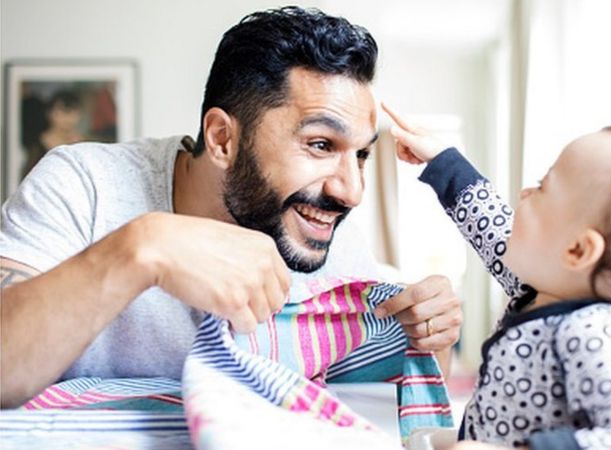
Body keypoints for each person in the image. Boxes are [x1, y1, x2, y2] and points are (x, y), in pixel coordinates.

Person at [0, 7, 462, 409]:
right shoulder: (85, 185)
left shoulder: (330, 242)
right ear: (223, 138)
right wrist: (142, 248)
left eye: (360, 155)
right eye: (321, 145)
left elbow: (383, 395)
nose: (351, 191)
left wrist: (430, 335)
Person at [383, 104, 611, 449]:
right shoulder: (545, 289)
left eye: (543, 187)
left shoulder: (597, 330)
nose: (524, 193)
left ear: (577, 251)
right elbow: (490, 226)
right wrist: (443, 158)